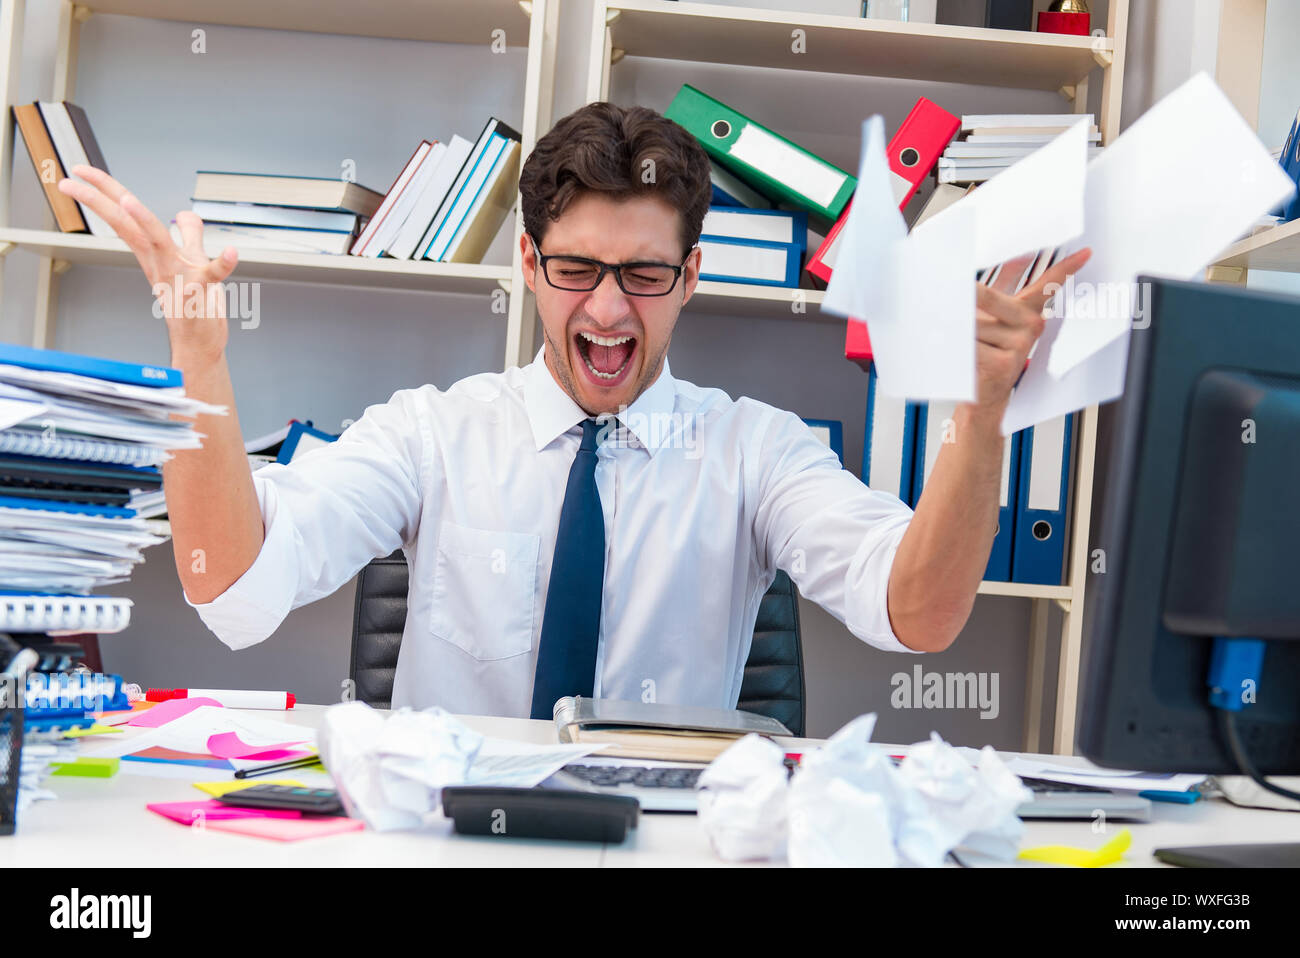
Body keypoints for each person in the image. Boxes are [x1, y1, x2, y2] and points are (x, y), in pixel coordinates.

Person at [58, 102, 1088, 718]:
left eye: (642, 273)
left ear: (691, 277)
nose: (604, 308)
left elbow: (918, 614)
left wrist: (979, 418)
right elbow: (233, 593)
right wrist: (196, 352)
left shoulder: (755, 449)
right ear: (526, 264)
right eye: (576, 269)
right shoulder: (432, 431)